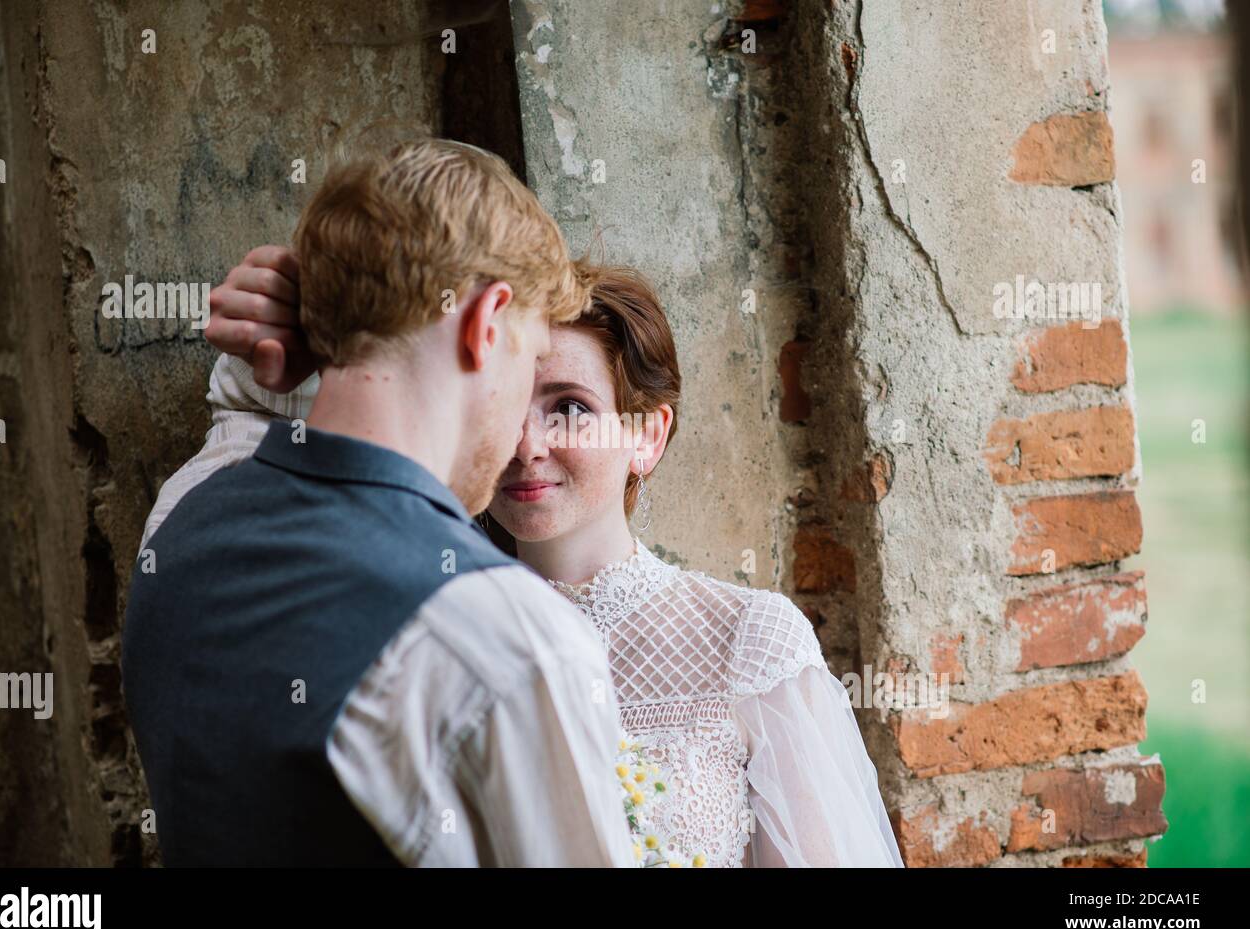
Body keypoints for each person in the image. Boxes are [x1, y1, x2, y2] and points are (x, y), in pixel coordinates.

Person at [166, 247, 905, 867]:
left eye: (570, 407)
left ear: (646, 435)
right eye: (513, 401)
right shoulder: (430, 621)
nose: (528, 444)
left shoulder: (750, 638)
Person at [122, 138, 636, 867]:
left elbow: (248, 407)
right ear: (486, 323)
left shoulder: (183, 513)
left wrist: (339, 320)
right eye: (528, 359)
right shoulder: (507, 638)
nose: (525, 427)